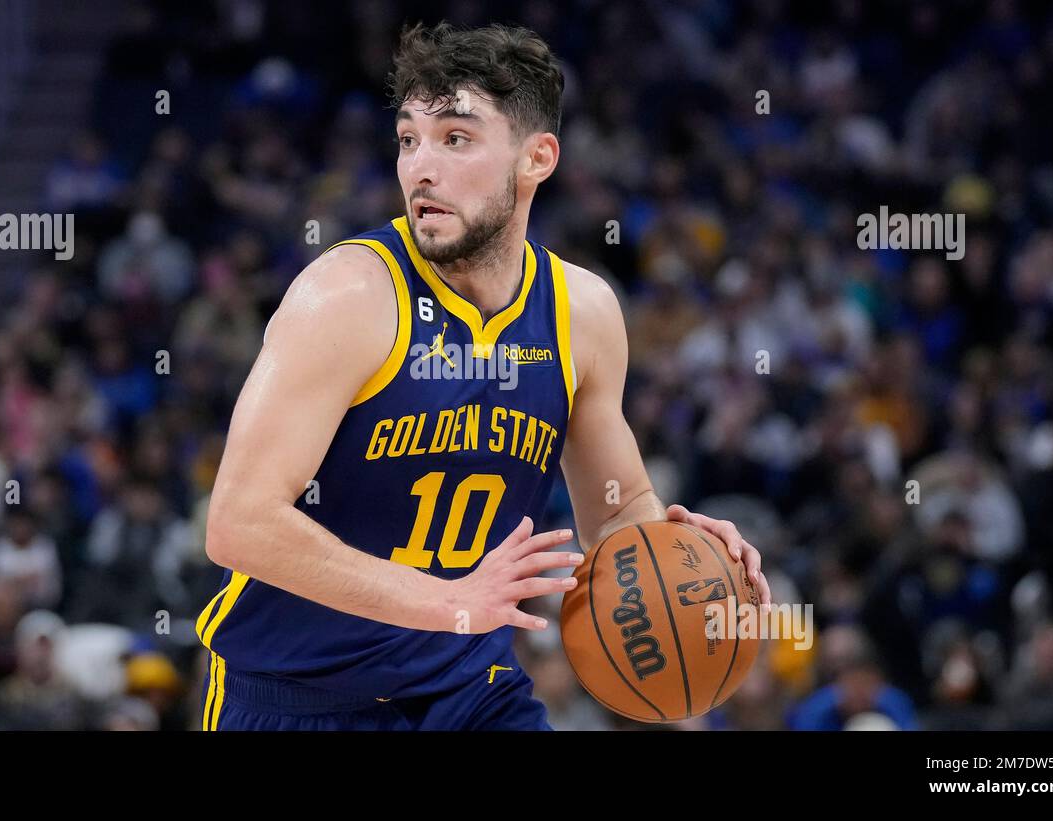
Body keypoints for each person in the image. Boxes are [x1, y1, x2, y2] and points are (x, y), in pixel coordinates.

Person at [198, 21, 772, 731]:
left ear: (537, 158)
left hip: (470, 691)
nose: (420, 168)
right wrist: (441, 600)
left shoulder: (581, 313)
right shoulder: (347, 296)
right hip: (299, 693)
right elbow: (238, 523)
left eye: (456, 139)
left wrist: (675, 550)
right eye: (409, 138)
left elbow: (617, 509)